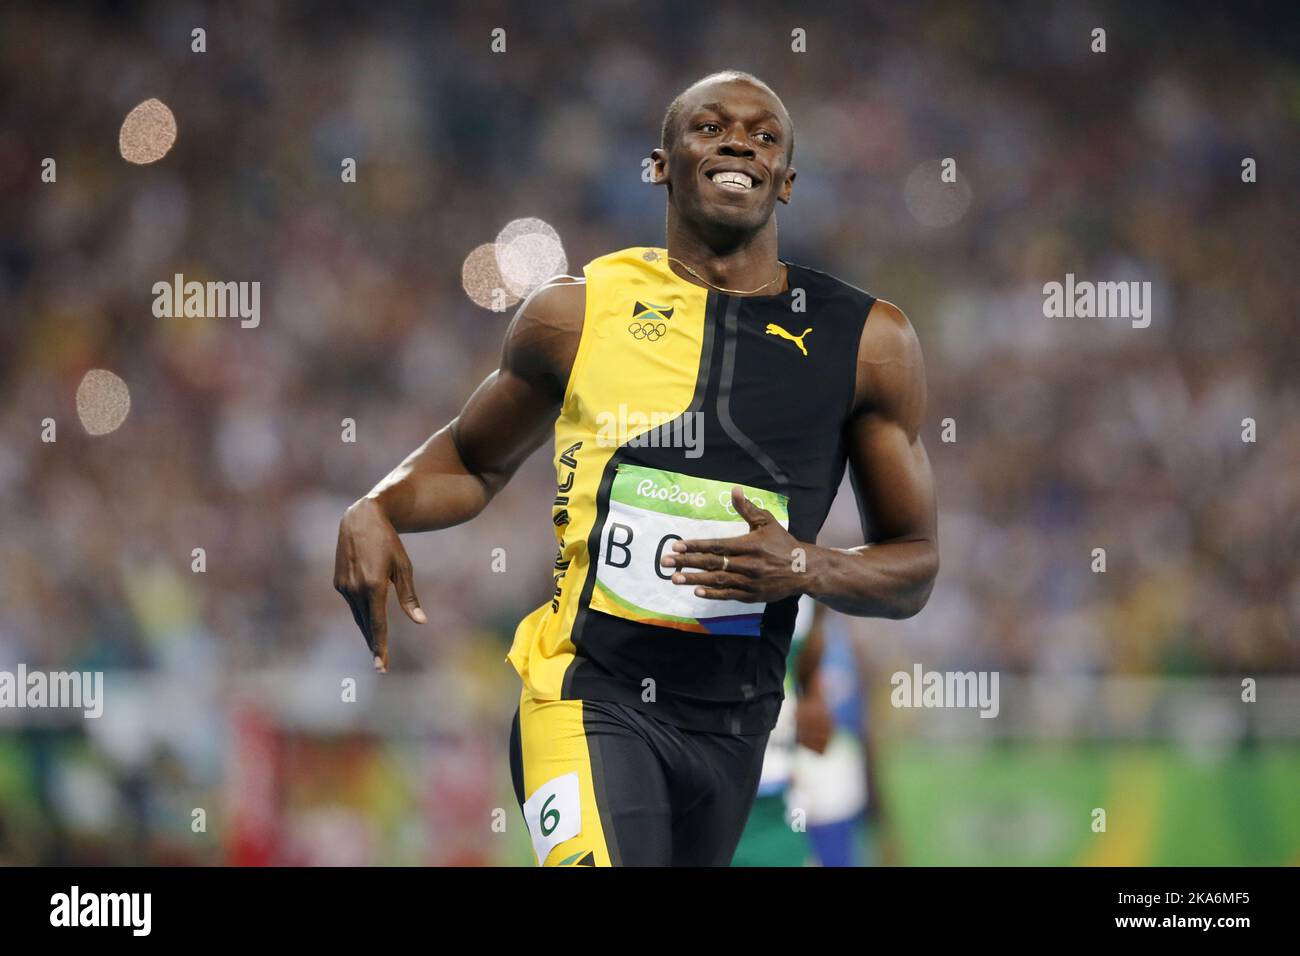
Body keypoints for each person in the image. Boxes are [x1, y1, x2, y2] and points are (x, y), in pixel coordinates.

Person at [334, 69, 938, 866]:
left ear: (786, 181)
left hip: (734, 730)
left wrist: (804, 563)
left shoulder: (869, 342)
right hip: (586, 697)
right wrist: (376, 506)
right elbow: (470, 460)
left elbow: (914, 565)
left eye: (764, 136)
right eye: (709, 126)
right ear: (659, 164)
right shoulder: (573, 312)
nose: (737, 143)